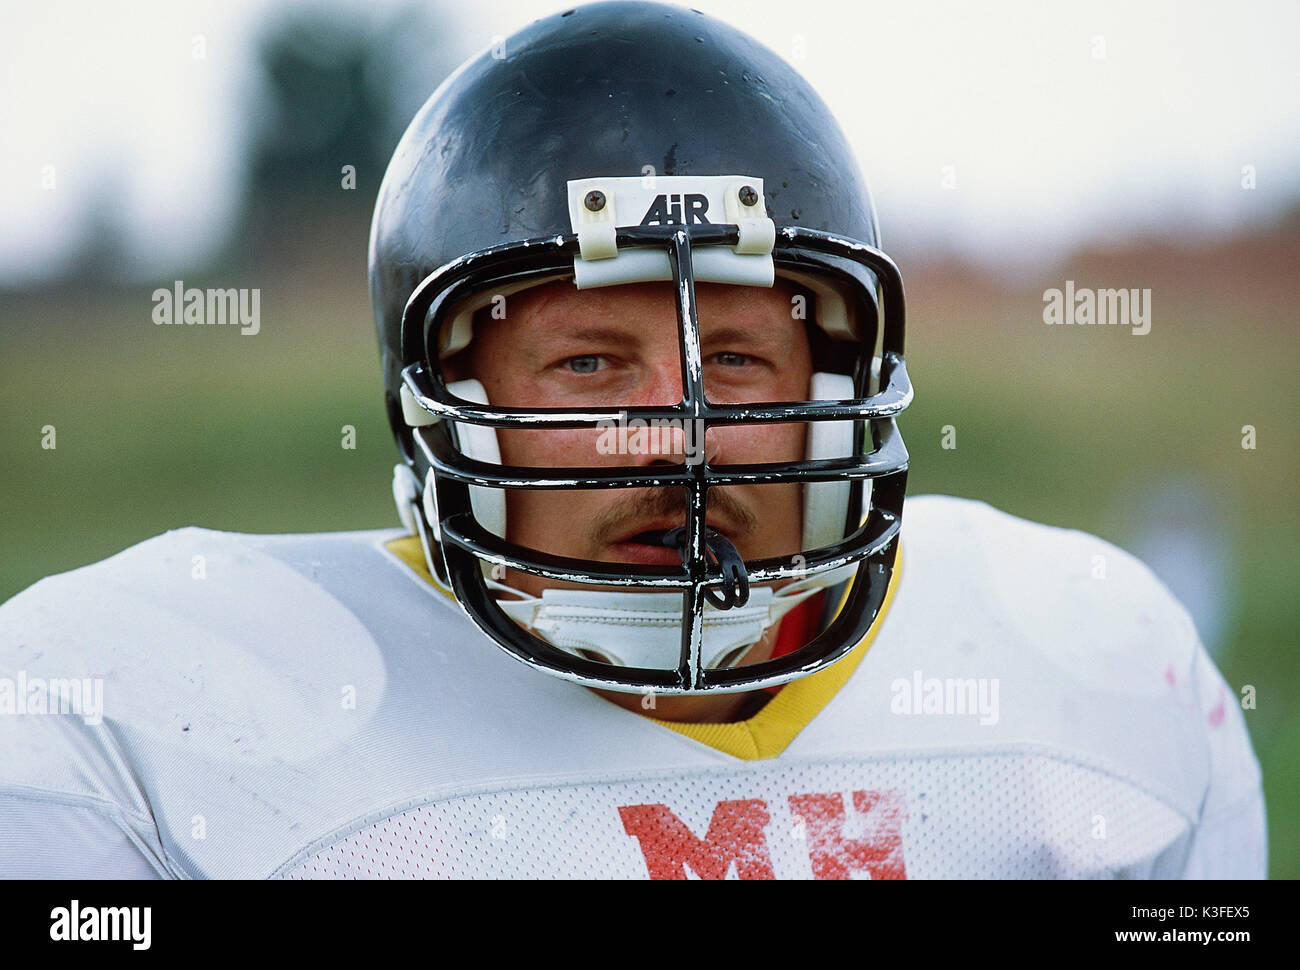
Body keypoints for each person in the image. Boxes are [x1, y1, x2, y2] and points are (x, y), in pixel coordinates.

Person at [0, 1, 1265, 879]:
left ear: (846, 384)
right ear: (438, 400)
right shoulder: (149, 708)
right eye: (590, 362)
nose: (678, 430)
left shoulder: (1083, 670)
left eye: (745, 357)